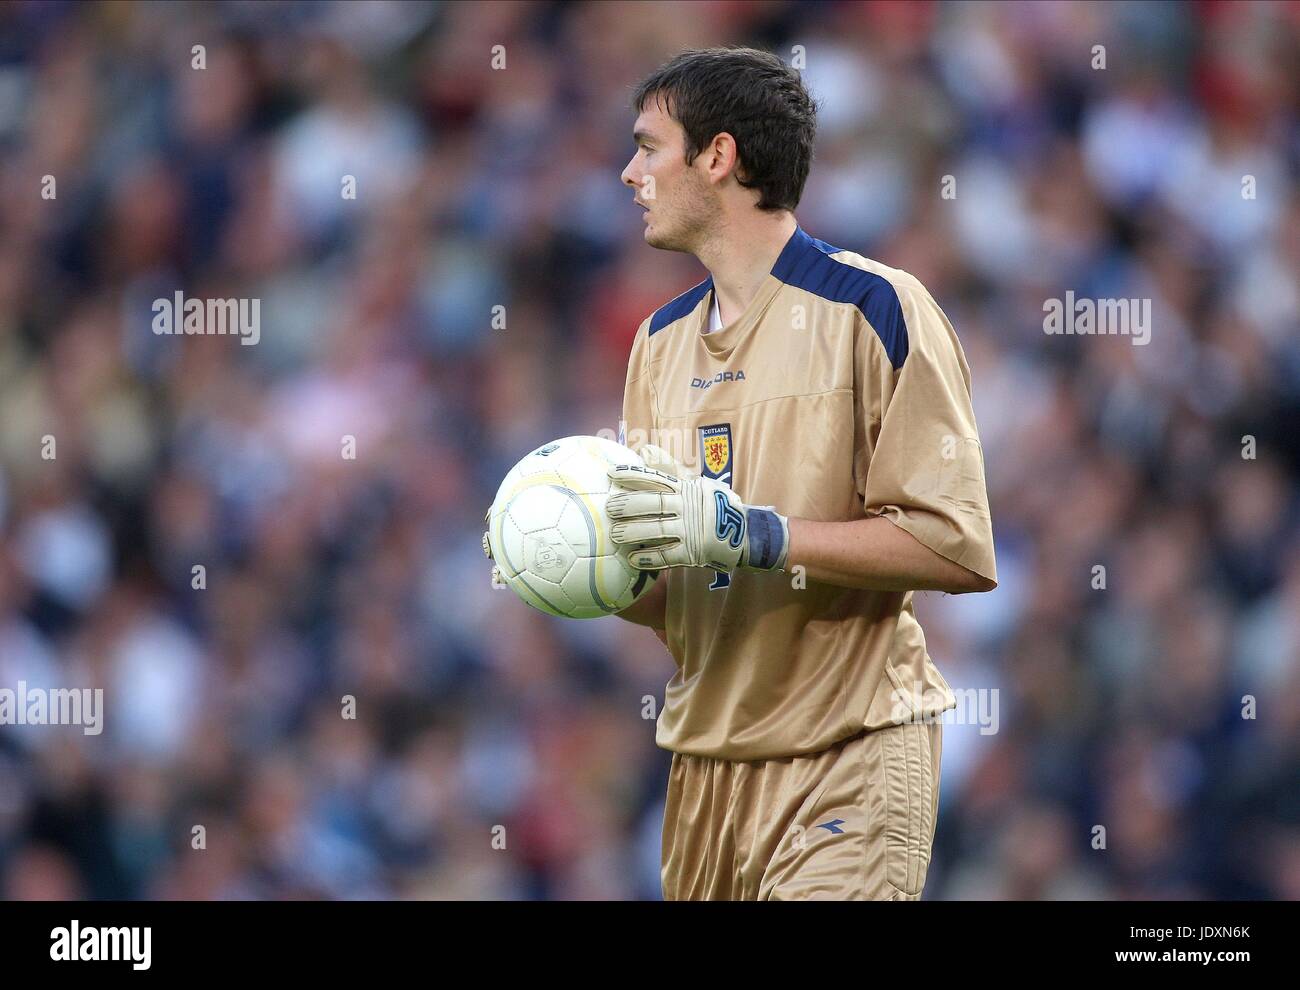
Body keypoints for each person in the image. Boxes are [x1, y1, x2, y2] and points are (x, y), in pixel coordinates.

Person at [609, 47, 997, 900]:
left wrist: (764, 535)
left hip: (849, 754)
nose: (629, 172)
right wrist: (587, 569)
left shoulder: (878, 308)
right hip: (705, 770)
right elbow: (675, 592)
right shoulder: (656, 345)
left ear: (717, 156)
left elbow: (955, 546)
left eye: (648, 146)